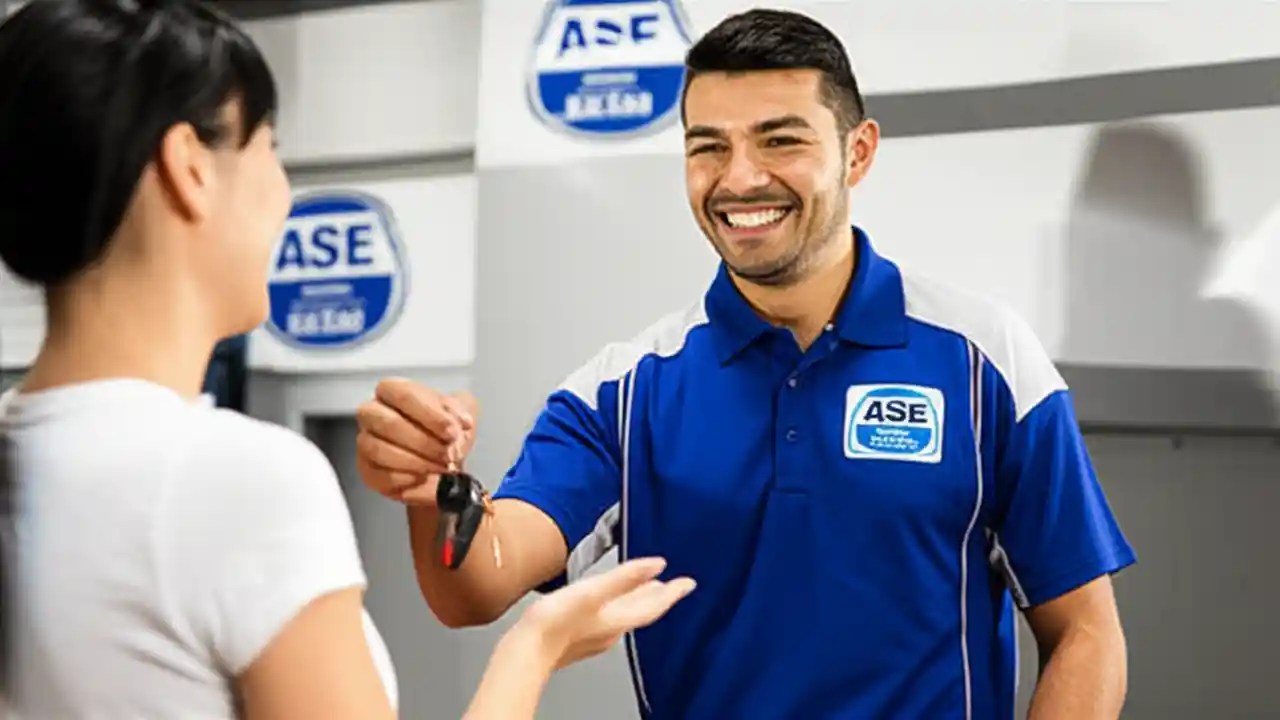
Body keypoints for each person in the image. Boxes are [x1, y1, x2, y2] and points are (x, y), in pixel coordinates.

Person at [356, 8, 1137, 720]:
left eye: (780, 139)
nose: (739, 178)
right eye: (709, 147)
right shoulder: (622, 393)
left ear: (858, 152)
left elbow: (1085, 632)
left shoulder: (986, 359)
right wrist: (433, 491)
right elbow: (476, 583)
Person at [0, 1, 693, 718]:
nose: (283, 195)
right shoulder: (244, 480)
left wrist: (437, 494)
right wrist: (536, 647)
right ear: (189, 168)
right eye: (268, 148)